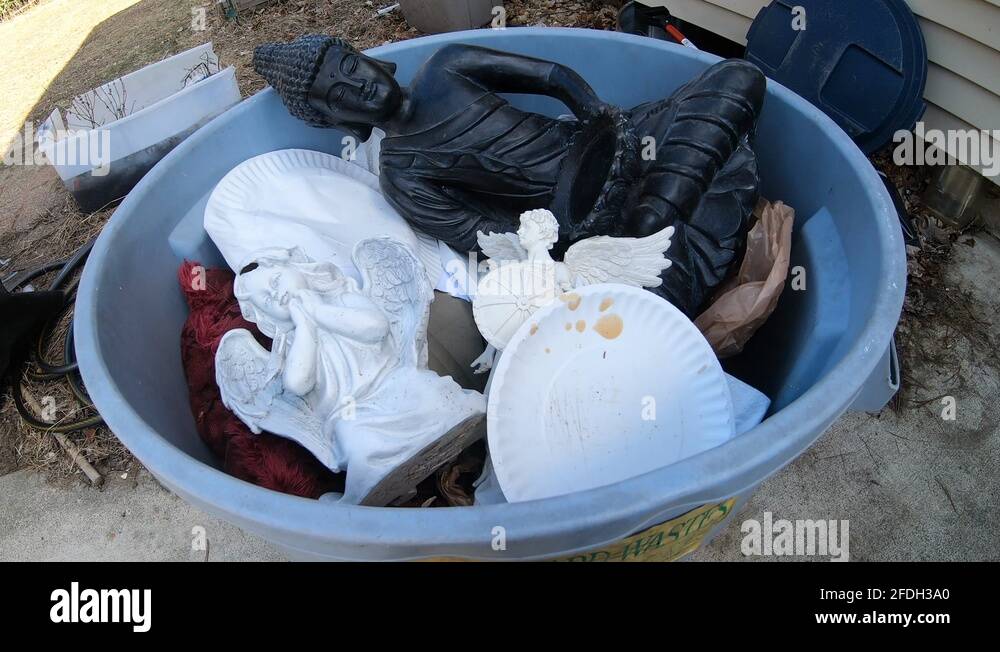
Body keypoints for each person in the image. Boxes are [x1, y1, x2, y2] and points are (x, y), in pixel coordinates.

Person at [253, 36, 766, 316]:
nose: (357, 87)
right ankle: (662, 213)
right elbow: (493, 239)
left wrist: (599, 116)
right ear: (341, 120)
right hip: (582, 218)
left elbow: (553, 77)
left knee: (737, 77)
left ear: (370, 59)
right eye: (339, 96)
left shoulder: (444, 67)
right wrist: (564, 236)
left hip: (614, 138)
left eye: (350, 67)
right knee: (648, 311)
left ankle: (658, 215)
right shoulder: (402, 176)